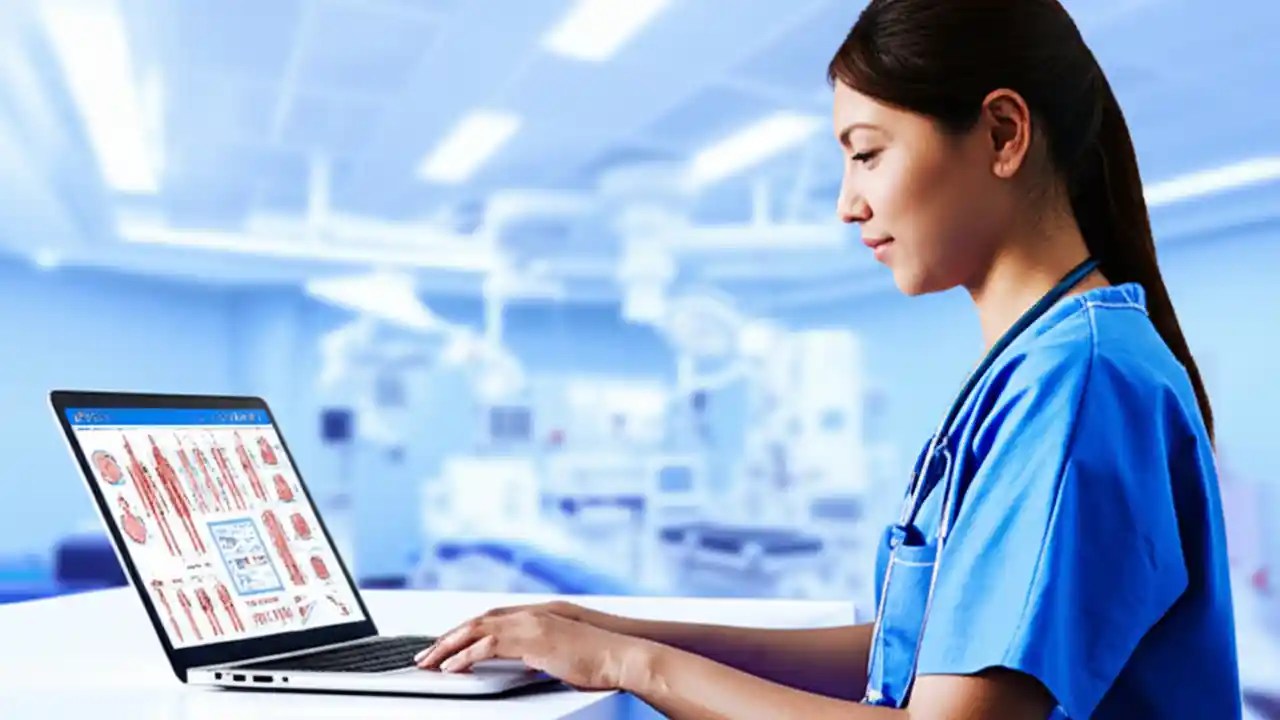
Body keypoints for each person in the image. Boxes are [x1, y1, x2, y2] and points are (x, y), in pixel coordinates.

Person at [414, 0, 1241, 716]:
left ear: (1002, 133)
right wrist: (610, 630)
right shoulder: (1046, 365)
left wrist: (631, 666)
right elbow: (909, 658)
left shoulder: (1079, 382)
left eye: (867, 153)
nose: (848, 204)